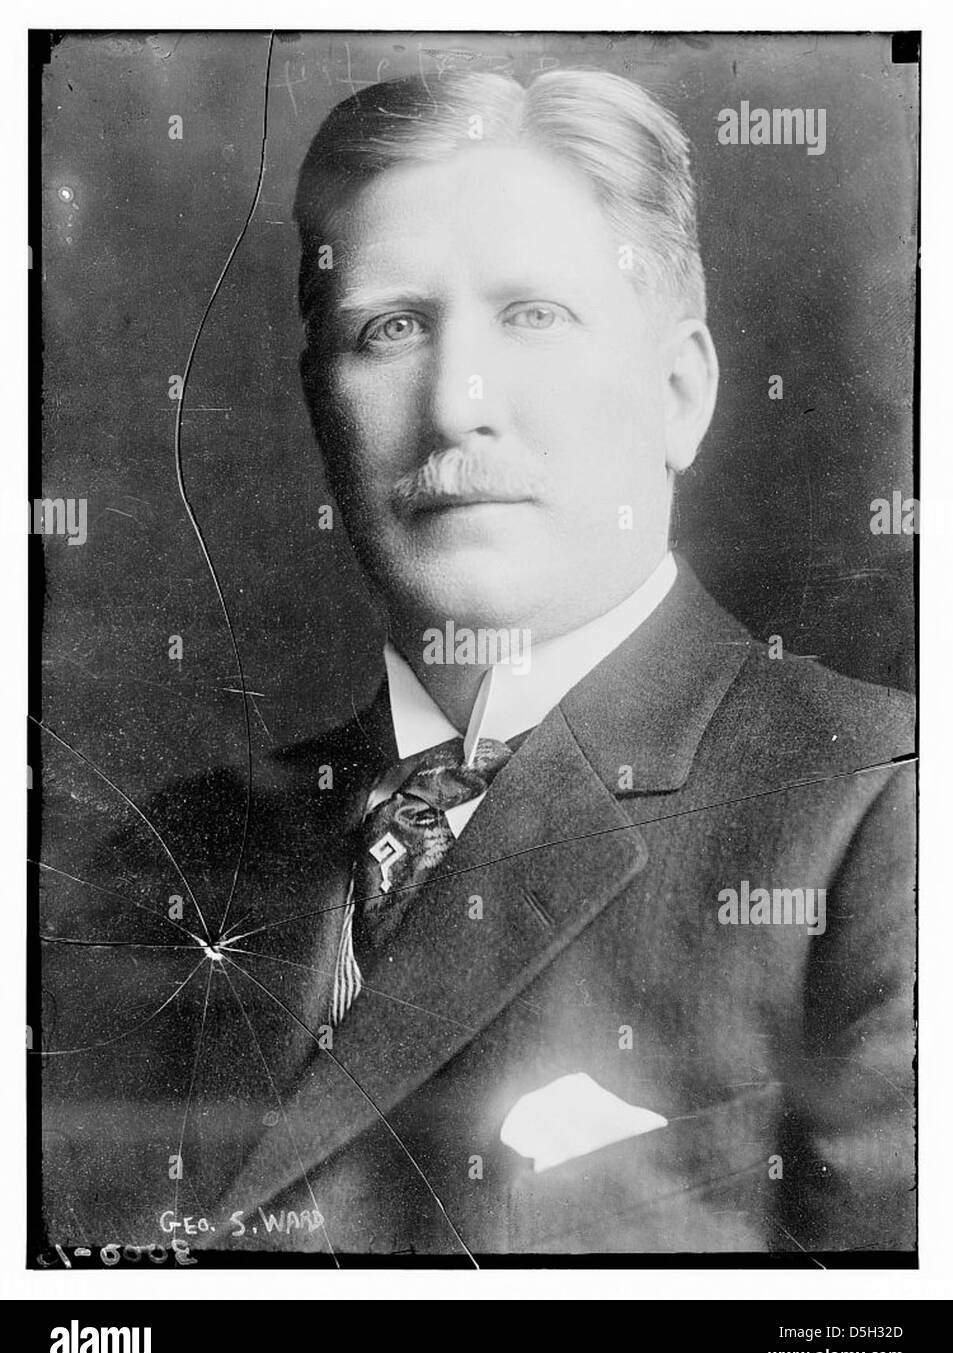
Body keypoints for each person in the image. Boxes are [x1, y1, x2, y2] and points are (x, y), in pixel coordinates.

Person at [41, 68, 915, 1259]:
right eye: (388, 329)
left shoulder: (886, 809)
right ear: (320, 404)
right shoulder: (154, 864)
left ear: (678, 392)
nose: (456, 404)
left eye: (533, 316)